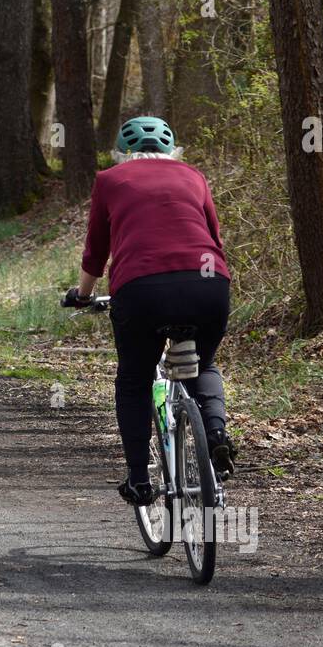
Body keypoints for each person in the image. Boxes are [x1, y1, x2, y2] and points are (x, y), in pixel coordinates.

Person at [66, 116, 237, 506]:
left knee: (134, 379)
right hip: (207, 283)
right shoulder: (193, 176)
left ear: (122, 152)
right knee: (204, 366)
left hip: (141, 289)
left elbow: (96, 250)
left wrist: (82, 294)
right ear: (172, 149)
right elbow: (214, 236)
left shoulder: (109, 180)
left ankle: (140, 479)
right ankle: (215, 435)